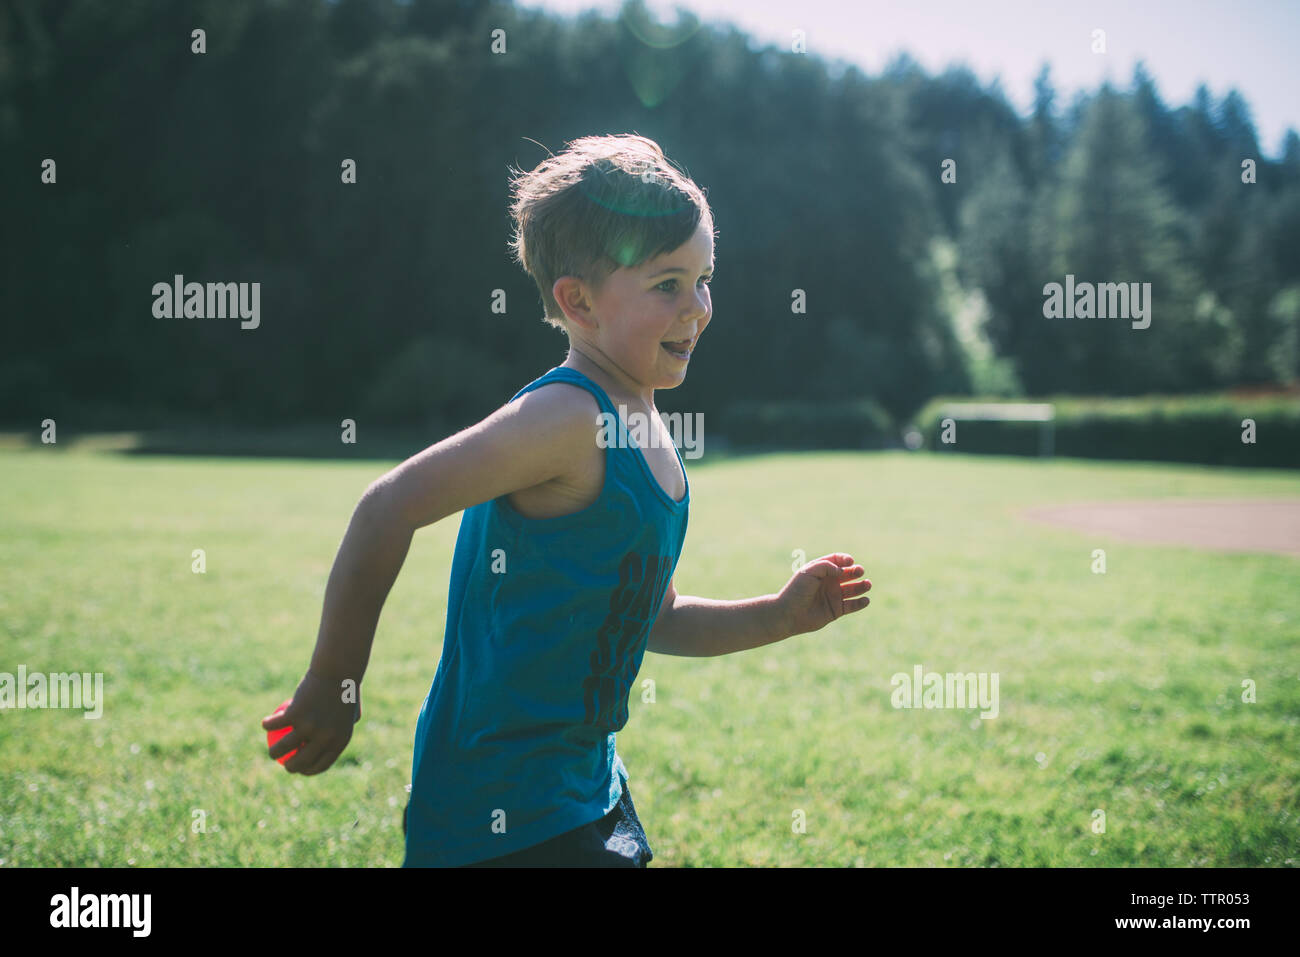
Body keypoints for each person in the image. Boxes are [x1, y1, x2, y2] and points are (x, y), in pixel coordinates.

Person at [262, 133, 871, 867]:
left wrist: (776, 615)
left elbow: (652, 615)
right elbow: (388, 506)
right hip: (499, 808)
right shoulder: (566, 418)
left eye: (705, 277)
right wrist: (336, 680)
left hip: (588, 790)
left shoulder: (647, 427)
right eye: (667, 284)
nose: (699, 307)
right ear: (578, 301)